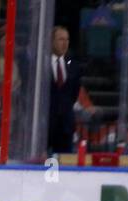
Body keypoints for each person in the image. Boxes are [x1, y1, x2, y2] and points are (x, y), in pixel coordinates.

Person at [47, 25, 82, 156]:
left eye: (67, 40)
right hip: (46, 125)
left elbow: (74, 93)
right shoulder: (41, 63)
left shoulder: (73, 65)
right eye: (61, 39)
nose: (65, 43)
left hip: (66, 126)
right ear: (51, 41)